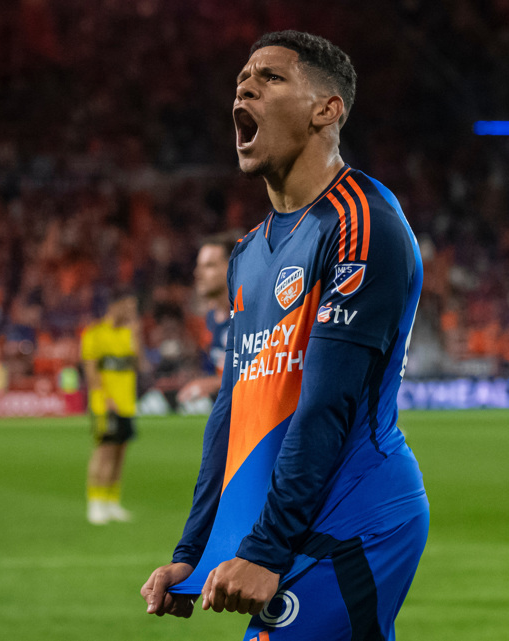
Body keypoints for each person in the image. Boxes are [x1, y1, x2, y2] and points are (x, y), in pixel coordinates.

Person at [140, 30, 429, 640]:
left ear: (327, 110)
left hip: (357, 512)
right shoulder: (247, 253)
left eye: (270, 77)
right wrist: (194, 552)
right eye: (242, 78)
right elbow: (233, 411)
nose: (244, 86)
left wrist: (267, 549)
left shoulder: (361, 221)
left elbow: (328, 401)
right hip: (296, 523)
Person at [80, 290, 141, 525]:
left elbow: (138, 365)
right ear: (115, 306)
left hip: (127, 403)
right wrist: (105, 398)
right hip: (105, 404)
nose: (132, 313)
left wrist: (136, 337)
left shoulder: (128, 333)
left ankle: (112, 501)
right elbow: (91, 370)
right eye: (128, 307)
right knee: (103, 452)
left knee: (120, 452)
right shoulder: (95, 333)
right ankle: (95, 502)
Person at [178, 234, 236, 407]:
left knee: (197, 404)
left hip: (244, 404)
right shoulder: (210, 320)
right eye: (199, 266)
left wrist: (211, 384)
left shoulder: (249, 316)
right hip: (220, 399)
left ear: (231, 267)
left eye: (209, 266)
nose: (198, 273)